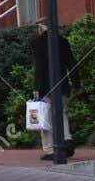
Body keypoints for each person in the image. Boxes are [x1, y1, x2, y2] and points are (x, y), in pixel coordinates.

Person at [30, 18, 81, 160]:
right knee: (61, 112)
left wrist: (36, 88)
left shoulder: (37, 42)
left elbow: (39, 66)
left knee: (44, 118)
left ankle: (50, 150)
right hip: (62, 85)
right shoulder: (63, 41)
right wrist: (77, 85)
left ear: (42, 28)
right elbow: (72, 64)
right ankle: (67, 139)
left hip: (44, 87)